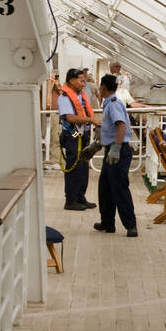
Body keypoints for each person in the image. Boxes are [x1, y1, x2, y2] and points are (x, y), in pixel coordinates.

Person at [94, 73, 138, 237]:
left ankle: (130, 225)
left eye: (100, 88)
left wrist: (115, 149)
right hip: (111, 148)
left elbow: (120, 126)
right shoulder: (109, 103)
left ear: (103, 88)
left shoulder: (113, 104)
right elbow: (111, 128)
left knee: (119, 188)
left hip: (118, 151)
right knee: (105, 188)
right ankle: (107, 222)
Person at [57, 68, 99, 210]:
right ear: (71, 80)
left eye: (84, 80)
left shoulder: (80, 95)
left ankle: (80, 197)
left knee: (83, 168)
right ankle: (71, 200)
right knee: (74, 167)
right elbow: (70, 117)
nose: (83, 83)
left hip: (83, 135)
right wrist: (91, 120)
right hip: (73, 136)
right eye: (81, 80)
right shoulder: (64, 97)